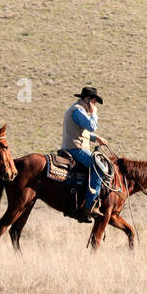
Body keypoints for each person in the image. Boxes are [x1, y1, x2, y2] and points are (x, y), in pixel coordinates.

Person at [62, 86, 109, 221]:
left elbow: (82, 131)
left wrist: (95, 138)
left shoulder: (75, 110)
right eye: (93, 102)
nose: (93, 106)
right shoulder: (78, 111)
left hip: (74, 147)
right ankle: (90, 205)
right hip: (76, 149)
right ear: (87, 100)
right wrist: (94, 113)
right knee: (100, 168)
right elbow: (91, 126)